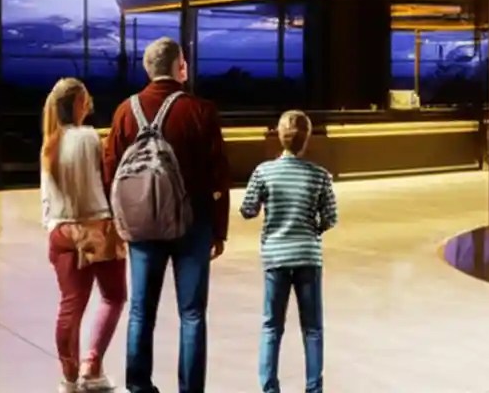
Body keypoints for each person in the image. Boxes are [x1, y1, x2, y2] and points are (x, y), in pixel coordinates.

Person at [103, 38, 229, 393]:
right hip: (193, 224)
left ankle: (139, 385)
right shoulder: (201, 110)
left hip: (142, 226)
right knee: (192, 314)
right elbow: (218, 172)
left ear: (148, 69)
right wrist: (218, 229)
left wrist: (121, 220)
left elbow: (109, 170)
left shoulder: (125, 112)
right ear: (179, 67)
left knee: (141, 311)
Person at [240, 110, 338, 393]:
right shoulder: (320, 176)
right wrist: (313, 229)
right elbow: (330, 217)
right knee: (313, 329)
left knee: (272, 326)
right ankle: (313, 388)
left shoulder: (263, 172)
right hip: (308, 256)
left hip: (275, 257)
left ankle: (269, 387)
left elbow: (248, 209)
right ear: (307, 140)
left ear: (279, 138)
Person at [41, 78, 127, 393]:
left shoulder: (49, 143)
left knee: (70, 305)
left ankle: (68, 377)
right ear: (79, 103)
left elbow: (48, 201)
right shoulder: (90, 137)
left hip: (61, 231)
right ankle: (93, 367)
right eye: (86, 99)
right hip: (98, 228)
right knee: (113, 296)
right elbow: (106, 181)